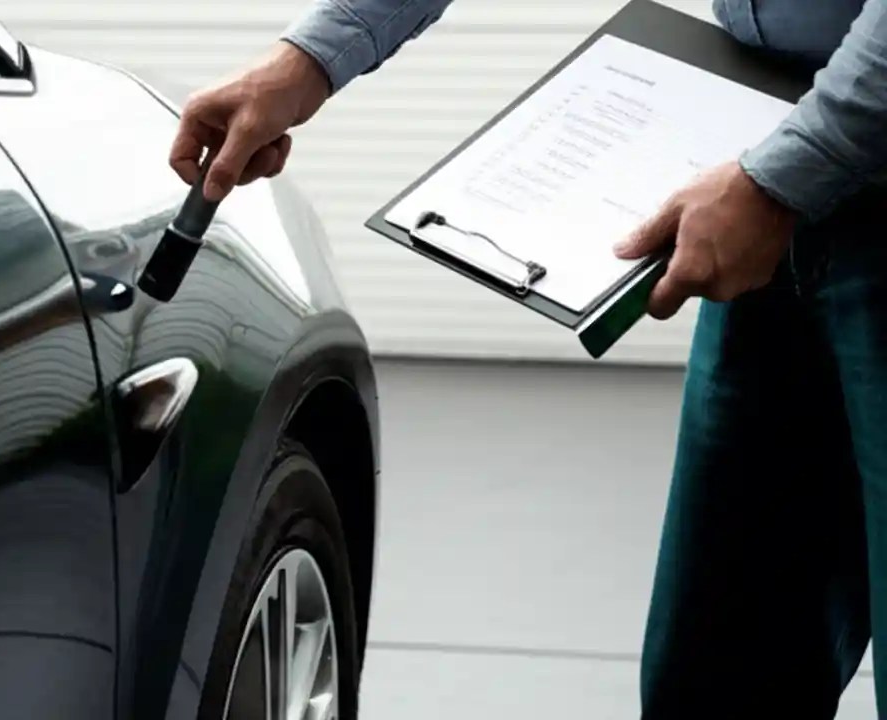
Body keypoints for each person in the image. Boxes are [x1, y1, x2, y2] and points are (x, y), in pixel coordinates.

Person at [170, 1, 887, 717]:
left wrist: (784, 175)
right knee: (717, 676)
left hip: (804, 171)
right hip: (769, 192)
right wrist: (310, 60)